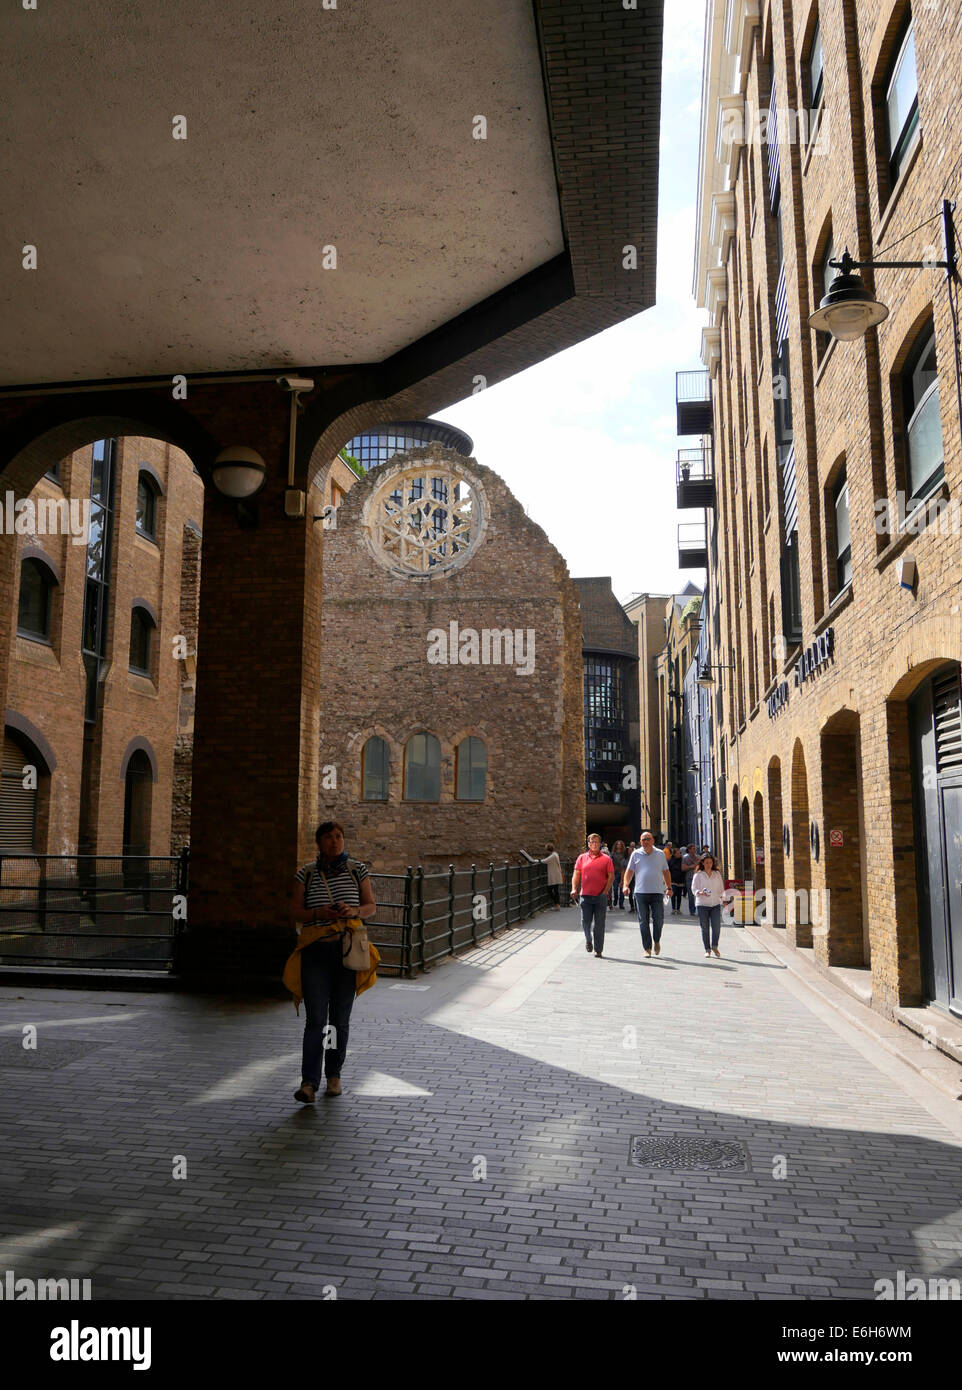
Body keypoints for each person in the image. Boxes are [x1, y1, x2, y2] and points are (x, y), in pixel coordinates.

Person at [288, 820, 377, 1103]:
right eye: (328, 837)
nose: (334, 841)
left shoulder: (357, 869)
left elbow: (370, 906)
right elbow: (296, 911)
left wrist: (353, 910)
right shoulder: (307, 874)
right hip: (316, 952)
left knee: (339, 1020)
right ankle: (308, 1083)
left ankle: (334, 1076)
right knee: (316, 1020)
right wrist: (319, 913)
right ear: (319, 843)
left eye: (338, 836)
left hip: (347, 953)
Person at [623, 831, 672, 957]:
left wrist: (669, 887)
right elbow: (629, 871)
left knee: (659, 920)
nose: (646, 841)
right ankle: (647, 948)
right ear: (640, 842)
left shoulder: (660, 854)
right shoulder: (636, 854)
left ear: (653, 841)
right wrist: (625, 885)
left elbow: (666, 872)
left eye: (648, 839)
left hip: (657, 892)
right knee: (643, 921)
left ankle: (656, 940)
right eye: (643, 839)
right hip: (640, 893)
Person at [571, 834, 614, 958]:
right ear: (588, 844)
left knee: (599, 924)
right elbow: (576, 874)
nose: (594, 844)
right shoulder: (582, 858)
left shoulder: (606, 859)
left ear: (600, 844)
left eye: (596, 842)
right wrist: (574, 888)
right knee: (585, 921)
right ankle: (588, 940)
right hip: (585, 895)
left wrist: (605, 891)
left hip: (600, 896)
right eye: (592, 842)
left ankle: (598, 949)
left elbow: (611, 876)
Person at [691, 852, 732, 958]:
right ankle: (707, 949)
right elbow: (694, 888)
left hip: (715, 904)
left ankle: (714, 946)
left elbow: (721, 889)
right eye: (707, 862)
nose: (709, 864)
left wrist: (724, 901)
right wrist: (700, 893)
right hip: (702, 905)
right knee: (705, 928)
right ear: (703, 863)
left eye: (710, 862)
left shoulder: (717, 874)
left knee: (716, 927)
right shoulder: (698, 875)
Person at [521, 843, 564, 910]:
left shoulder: (552, 856)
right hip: (556, 874)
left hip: (554, 876)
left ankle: (557, 904)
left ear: (547, 849)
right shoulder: (555, 854)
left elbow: (545, 861)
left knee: (550, 890)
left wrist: (534, 860)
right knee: (555, 890)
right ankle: (557, 905)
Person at [668, 846, 686, 914]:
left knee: (679, 895)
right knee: (673, 894)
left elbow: (684, 869)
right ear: (674, 854)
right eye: (677, 853)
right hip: (673, 880)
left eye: (679, 853)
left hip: (680, 880)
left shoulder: (682, 860)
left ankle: (678, 909)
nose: (679, 854)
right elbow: (668, 870)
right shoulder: (670, 861)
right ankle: (673, 908)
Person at [682, 843, 699, 916]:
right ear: (689, 850)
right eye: (693, 849)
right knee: (691, 895)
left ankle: (699, 909)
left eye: (695, 848)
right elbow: (683, 868)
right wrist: (692, 866)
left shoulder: (698, 857)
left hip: (698, 878)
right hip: (689, 878)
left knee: (699, 894)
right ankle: (692, 910)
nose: (695, 850)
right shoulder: (685, 858)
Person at [609, 840, 627, 909]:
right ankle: (616, 899)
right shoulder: (613, 854)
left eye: (620, 844)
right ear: (615, 845)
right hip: (615, 873)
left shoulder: (624, 854)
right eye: (617, 844)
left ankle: (621, 904)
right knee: (615, 888)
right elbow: (609, 862)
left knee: (622, 888)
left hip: (623, 872)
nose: (619, 845)